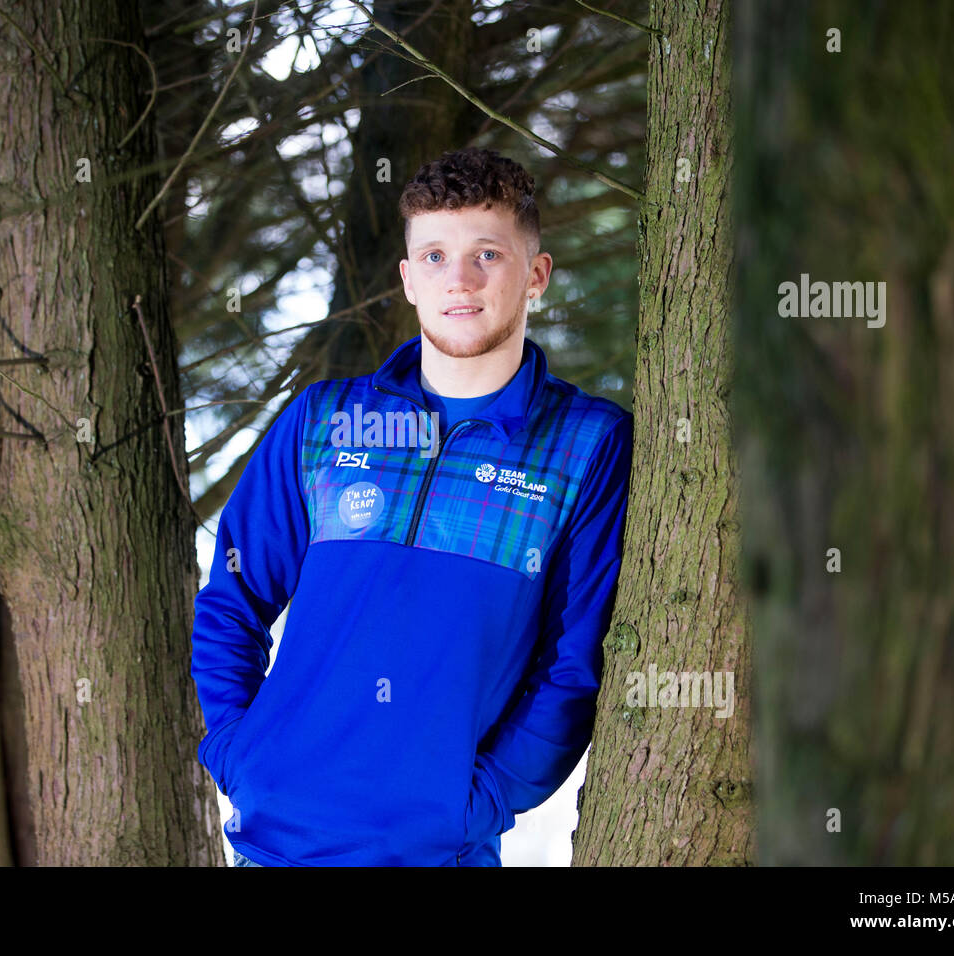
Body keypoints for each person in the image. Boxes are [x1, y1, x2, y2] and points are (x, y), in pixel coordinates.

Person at [191, 146, 634, 866]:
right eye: (433, 256)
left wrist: (479, 803)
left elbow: (573, 663)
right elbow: (231, 598)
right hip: (274, 845)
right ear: (407, 279)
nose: (458, 280)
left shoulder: (586, 444)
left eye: (486, 254)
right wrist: (242, 756)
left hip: (439, 853)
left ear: (537, 275)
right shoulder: (324, 422)